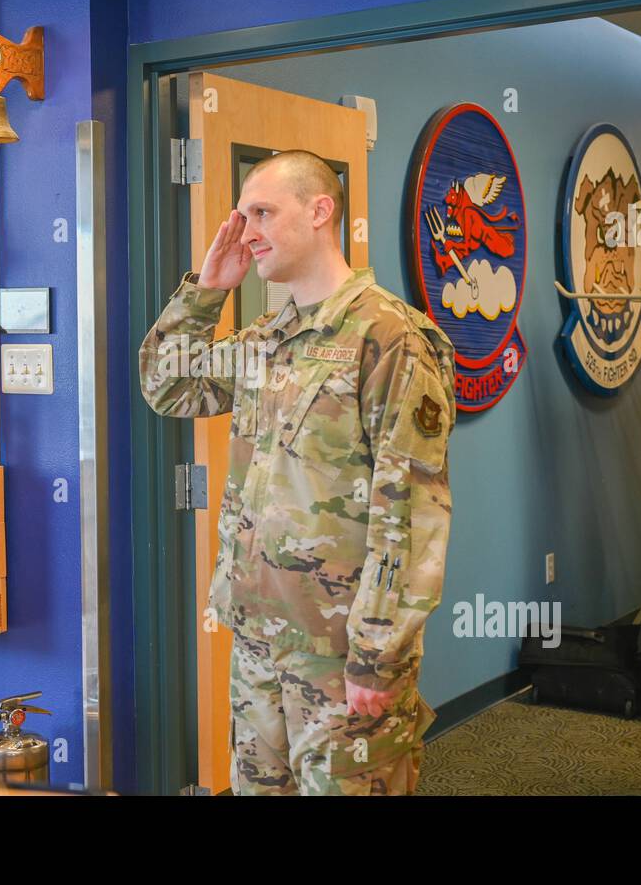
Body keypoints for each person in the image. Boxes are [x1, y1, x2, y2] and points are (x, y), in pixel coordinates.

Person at [138, 150, 455, 795]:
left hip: (340, 650)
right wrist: (207, 293)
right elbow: (168, 388)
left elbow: (411, 513)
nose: (247, 230)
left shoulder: (389, 337)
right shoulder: (271, 335)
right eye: (243, 214)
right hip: (260, 637)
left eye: (263, 212)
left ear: (319, 211)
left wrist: (377, 655)